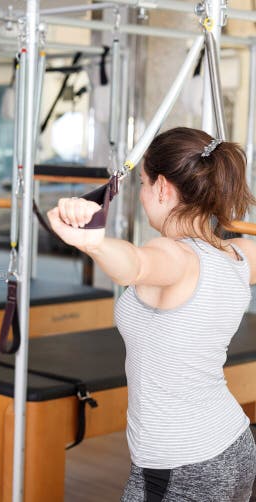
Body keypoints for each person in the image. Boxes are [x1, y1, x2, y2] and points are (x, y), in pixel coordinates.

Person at [47, 127, 256, 501]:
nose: (142, 195)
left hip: (179, 462)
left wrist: (94, 244)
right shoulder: (239, 255)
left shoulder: (173, 254)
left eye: (143, 183)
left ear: (162, 188)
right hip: (234, 442)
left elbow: (136, 265)